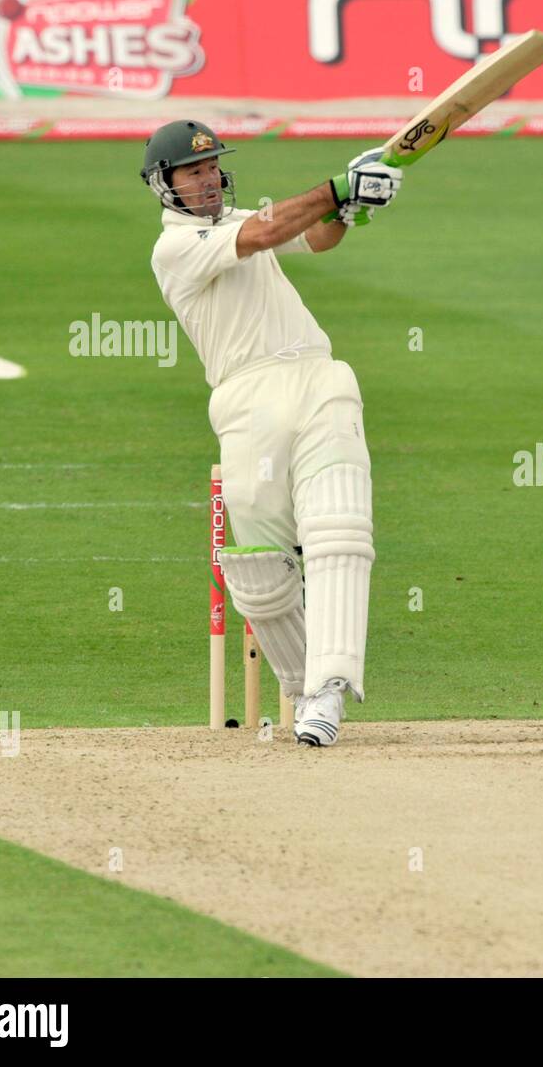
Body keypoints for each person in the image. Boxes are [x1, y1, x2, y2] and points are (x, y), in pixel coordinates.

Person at [142, 119, 402, 746]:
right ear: (164, 185)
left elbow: (314, 239)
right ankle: (305, 686)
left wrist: (353, 208)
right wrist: (339, 184)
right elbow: (265, 231)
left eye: (211, 169)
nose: (206, 180)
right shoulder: (175, 248)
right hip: (245, 400)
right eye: (192, 172)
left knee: (338, 528)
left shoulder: (238, 219)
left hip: (317, 377)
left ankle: (334, 688)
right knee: (259, 568)